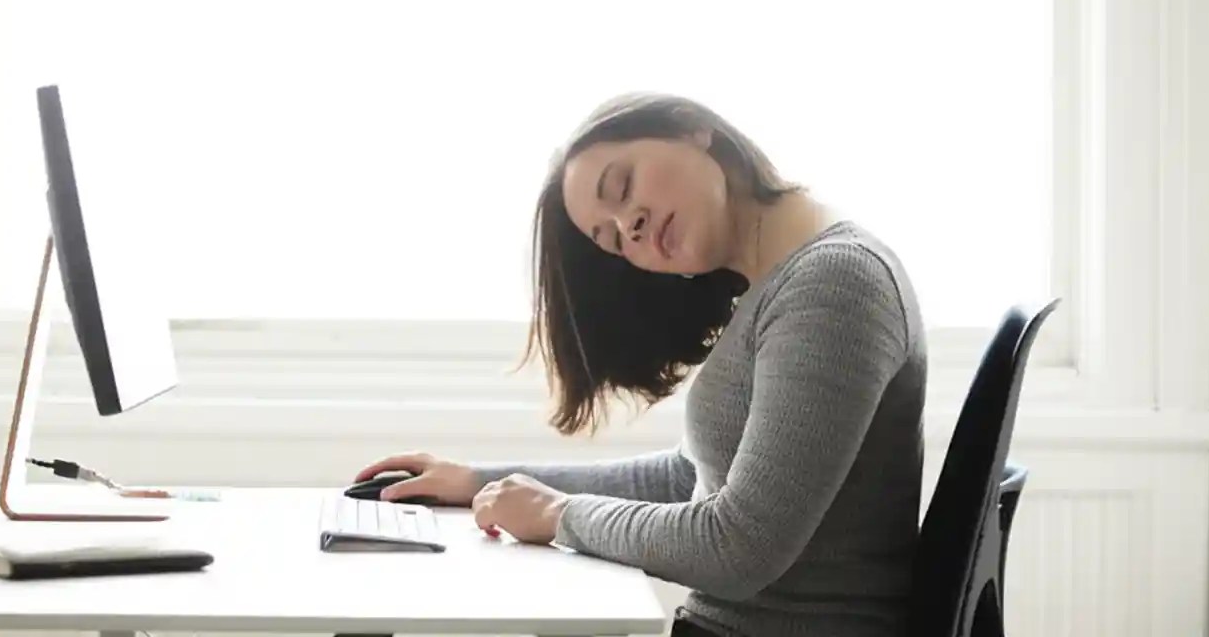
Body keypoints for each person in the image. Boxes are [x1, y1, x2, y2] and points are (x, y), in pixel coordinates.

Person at [352, 92, 927, 637]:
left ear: (691, 128)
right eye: (612, 240)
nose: (629, 227)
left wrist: (559, 515)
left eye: (621, 187)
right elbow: (686, 479)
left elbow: (739, 549)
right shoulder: (774, 286)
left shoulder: (833, 283)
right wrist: (480, 482)